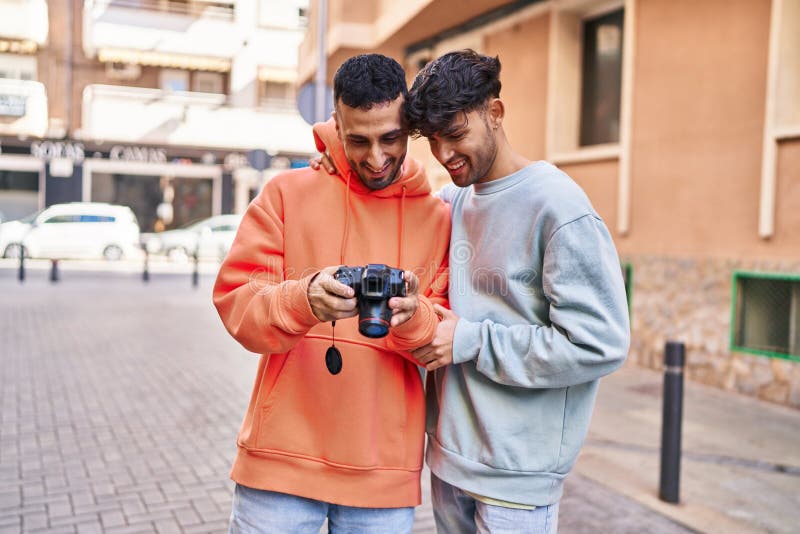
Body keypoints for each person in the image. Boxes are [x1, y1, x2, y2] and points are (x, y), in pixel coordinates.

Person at [213, 53, 450, 533]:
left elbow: (443, 337)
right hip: (279, 465)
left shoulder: (437, 218)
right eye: (358, 140)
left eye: (390, 139)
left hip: (381, 475)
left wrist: (414, 315)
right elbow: (237, 302)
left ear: (409, 126)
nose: (376, 157)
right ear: (335, 127)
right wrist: (303, 301)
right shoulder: (286, 194)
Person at [406, 50, 631, 533]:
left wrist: (470, 340)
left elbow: (600, 343)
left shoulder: (559, 206)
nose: (444, 154)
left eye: (457, 133)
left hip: (518, 479)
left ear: (495, 113)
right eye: (433, 140)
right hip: (448, 463)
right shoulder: (456, 199)